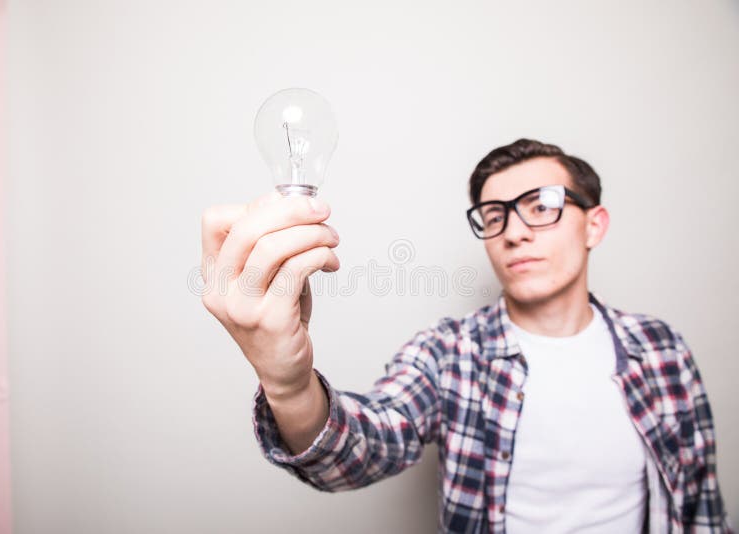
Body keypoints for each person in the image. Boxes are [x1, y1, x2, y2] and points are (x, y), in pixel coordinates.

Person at [200, 138, 733, 533]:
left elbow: (702, 507)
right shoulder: (451, 352)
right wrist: (287, 382)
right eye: (495, 214)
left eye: (542, 206)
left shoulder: (660, 351)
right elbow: (357, 452)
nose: (515, 231)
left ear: (593, 225)